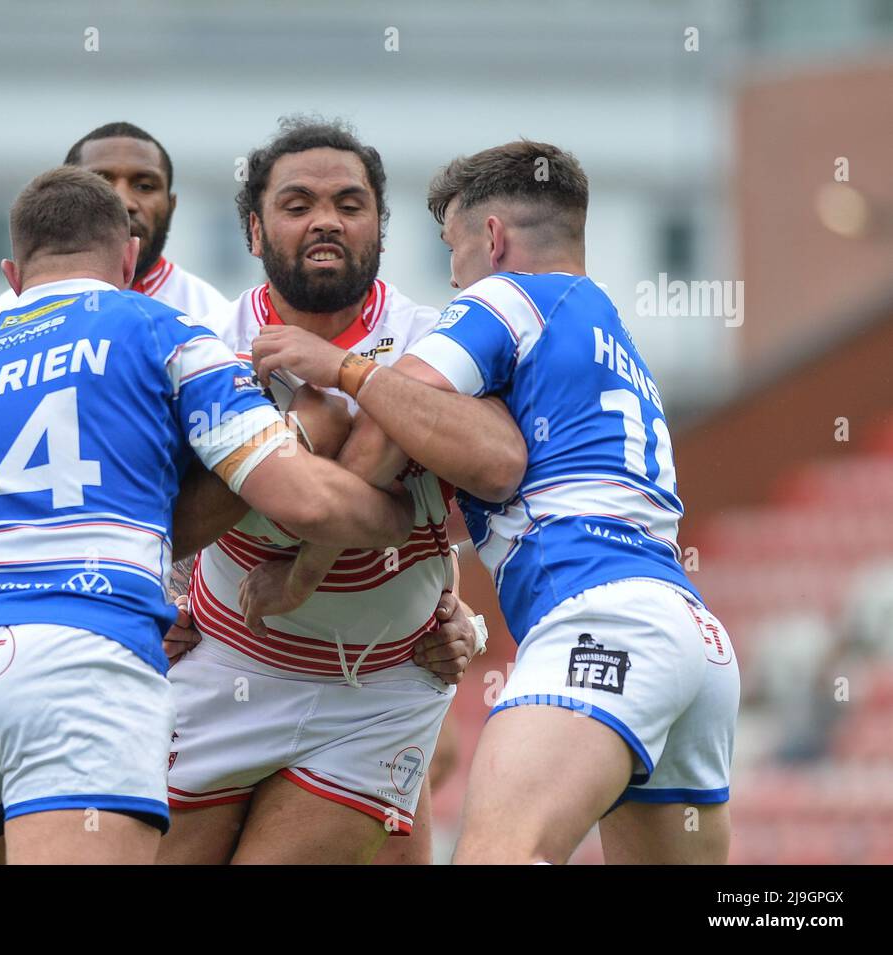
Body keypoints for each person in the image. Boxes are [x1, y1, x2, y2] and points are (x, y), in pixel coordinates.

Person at [0, 166, 417, 865]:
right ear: (131, 260)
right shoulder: (167, 329)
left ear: (12, 273)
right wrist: (394, 515)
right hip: (81, 657)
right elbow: (306, 501)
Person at [250, 140, 740, 864]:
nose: (452, 273)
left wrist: (300, 573)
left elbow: (381, 435)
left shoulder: (506, 296)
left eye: (452, 248)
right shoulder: (610, 329)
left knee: (496, 852)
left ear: (493, 239)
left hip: (598, 617)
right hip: (692, 637)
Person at [155, 119, 518, 865]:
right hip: (224, 661)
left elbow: (498, 464)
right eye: (297, 203)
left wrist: (463, 618)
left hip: (373, 693)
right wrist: (159, 595)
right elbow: (143, 500)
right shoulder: (199, 342)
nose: (325, 219)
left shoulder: (439, 340)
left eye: (350, 203)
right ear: (254, 231)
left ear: (380, 227)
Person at [0, 121, 225, 531]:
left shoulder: (212, 318)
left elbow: (243, 465)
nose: (125, 200)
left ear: (172, 204)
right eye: (103, 181)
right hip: (23, 577)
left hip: (160, 578)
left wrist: (163, 550)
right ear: (72, 194)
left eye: (145, 185)